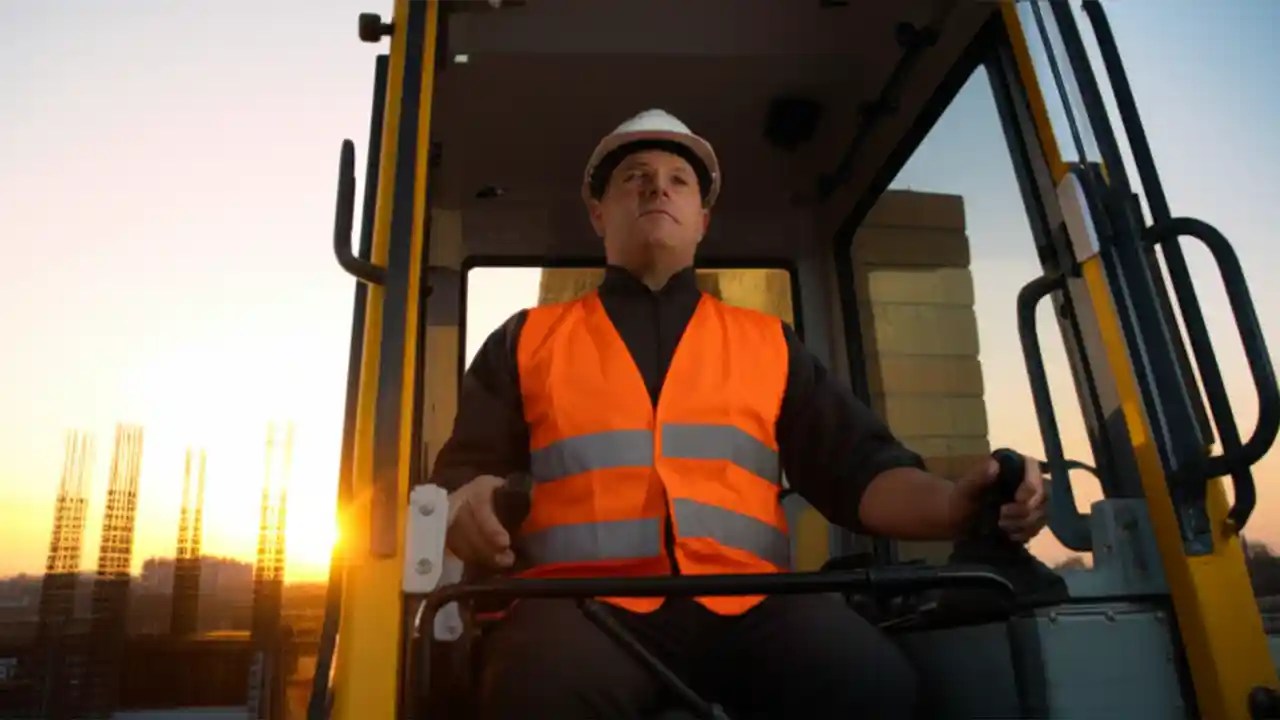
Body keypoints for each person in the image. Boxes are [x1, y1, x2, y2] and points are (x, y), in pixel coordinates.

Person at [429, 108, 1049, 719]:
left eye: (678, 180)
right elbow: (465, 477)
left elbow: (859, 470)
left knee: (871, 684)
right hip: (578, 607)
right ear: (598, 214)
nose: (656, 188)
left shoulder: (770, 343)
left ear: (703, 219)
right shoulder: (525, 340)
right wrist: (467, 505)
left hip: (752, 601)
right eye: (634, 177)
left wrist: (955, 505)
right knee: (534, 692)